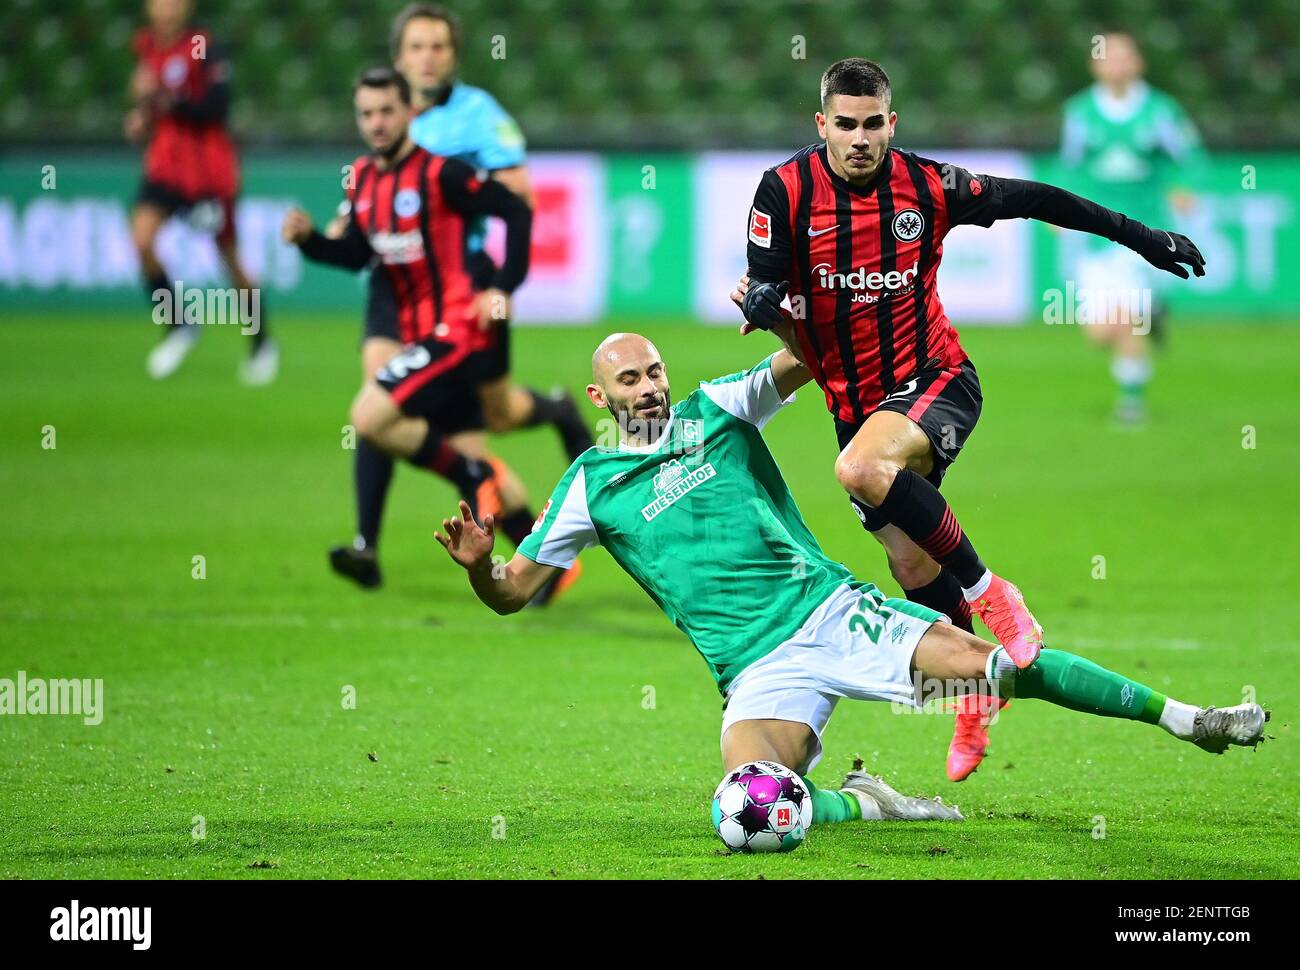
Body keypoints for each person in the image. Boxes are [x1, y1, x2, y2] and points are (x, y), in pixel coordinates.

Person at [437, 331, 1265, 839]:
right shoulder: (589, 484)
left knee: (1002, 668)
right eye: (630, 381)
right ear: (599, 397)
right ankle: (873, 804)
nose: (649, 387)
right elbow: (514, 591)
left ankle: (1192, 720)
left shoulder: (715, 408)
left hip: (830, 615)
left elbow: (802, 359)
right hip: (756, 674)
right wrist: (480, 565)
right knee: (750, 808)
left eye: (654, 371)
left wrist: (799, 305)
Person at [736, 57, 1205, 779]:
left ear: (891, 124)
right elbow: (764, 285)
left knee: (863, 469)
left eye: (873, 125)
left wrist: (1146, 237)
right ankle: (973, 692)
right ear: (821, 123)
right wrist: (764, 304)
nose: (859, 138)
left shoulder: (927, 185)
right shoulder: (783, 192)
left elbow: (1040, 199)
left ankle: (995, 595)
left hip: (937, 379)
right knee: (908, 561)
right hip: (855, 404)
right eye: (845, 124)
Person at [283, 67, 578, 604]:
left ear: (408, 113)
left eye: (386, 111)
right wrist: (308, 243)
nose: (376, 123)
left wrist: (504, 286)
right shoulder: (363, 179)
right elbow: (356, 252)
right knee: (475, 457)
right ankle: (550, 568)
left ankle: (466, 472)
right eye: (366, 113)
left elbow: (514, 207)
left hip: (455, 336)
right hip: (426, 343)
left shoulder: (441, 174)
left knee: (369, 416)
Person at [126, 0, 277, 384]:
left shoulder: (201, 45)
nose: (166, 8)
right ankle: (179, 324)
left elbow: (215, 106)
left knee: (227, 256)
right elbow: (152, 101)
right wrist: (142, 116)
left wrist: (161, 98)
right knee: (141, 241)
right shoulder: (146, 45)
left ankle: (261, 340)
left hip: (207, 170)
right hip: (164, 164)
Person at [1059, 31, 1207, 423]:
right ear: (1095, 65)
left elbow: (1190, 157)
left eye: (1124, 56)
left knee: (1124, 321)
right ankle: (1154, 314)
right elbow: (1068, 166)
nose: (1116, 64)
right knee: (1100, 332)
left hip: (1146, 234)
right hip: (1096, 235)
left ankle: (1131, 404)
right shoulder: (1080, 112)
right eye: (1108, 57)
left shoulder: (1160, 110)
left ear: (1138, 63)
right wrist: (1054, 210)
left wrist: (1184, 188)